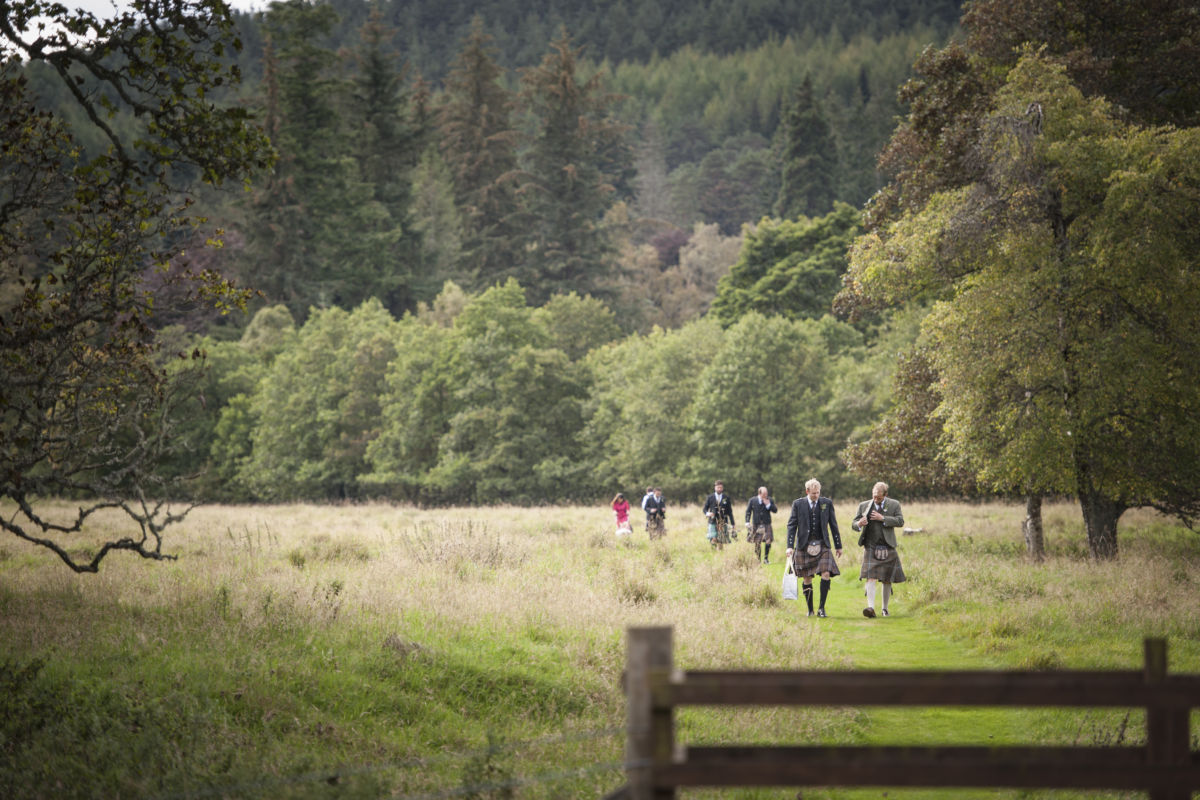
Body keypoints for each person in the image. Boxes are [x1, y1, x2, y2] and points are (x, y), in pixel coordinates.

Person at [785, 478, 842, 617]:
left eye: (818, 493)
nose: (816, 495)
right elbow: (792, 525)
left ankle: (821, 608)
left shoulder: (827, 503)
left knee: (826, 573)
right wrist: (790, 546)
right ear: (807, 491)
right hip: (804, 545)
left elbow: (833, 525)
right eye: (813, 493)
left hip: (822, 544)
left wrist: (838, 545)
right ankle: (810, 610)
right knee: (807, 578)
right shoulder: (798, 504)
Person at [852, 481, 907, 618]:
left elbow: (900, 521)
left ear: (885, 495)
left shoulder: (894, 504)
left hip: (888, 545)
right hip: (871, 546)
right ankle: (870, 608)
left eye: (879, 497)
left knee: (887, 579)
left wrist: (883, 518)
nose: (875, 499)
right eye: (874, 496)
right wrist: (859, 524)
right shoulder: (864, 505)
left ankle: (885, 609)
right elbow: (853, 524)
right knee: (870, 577)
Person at [745, 486, 777, 564]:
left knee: (768, 541)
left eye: (766, 493)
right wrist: (747, 521)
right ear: (759, 493)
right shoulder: (752, 500)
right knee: (757, 542)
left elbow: (775, 510)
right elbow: (748, 511)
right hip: (756, 524)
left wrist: (768, 505)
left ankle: (766, 559)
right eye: (764, 493)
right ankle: (758, 560)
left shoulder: (769, 500)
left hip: (767, 523)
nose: (766, 495)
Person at [702, 480, 735, 550]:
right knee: (713, 538)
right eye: (718, 487)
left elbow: (730, 512)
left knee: (721, 540)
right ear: (715, 488)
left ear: (723, 488)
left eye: (721, 487)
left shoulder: (726, 497)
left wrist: (733, 523)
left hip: (723, 521)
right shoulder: (710, 497)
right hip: (713, 520)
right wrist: (708, 513)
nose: (719, 489)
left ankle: (719, 553)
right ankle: (713, 551)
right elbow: (704, 509)